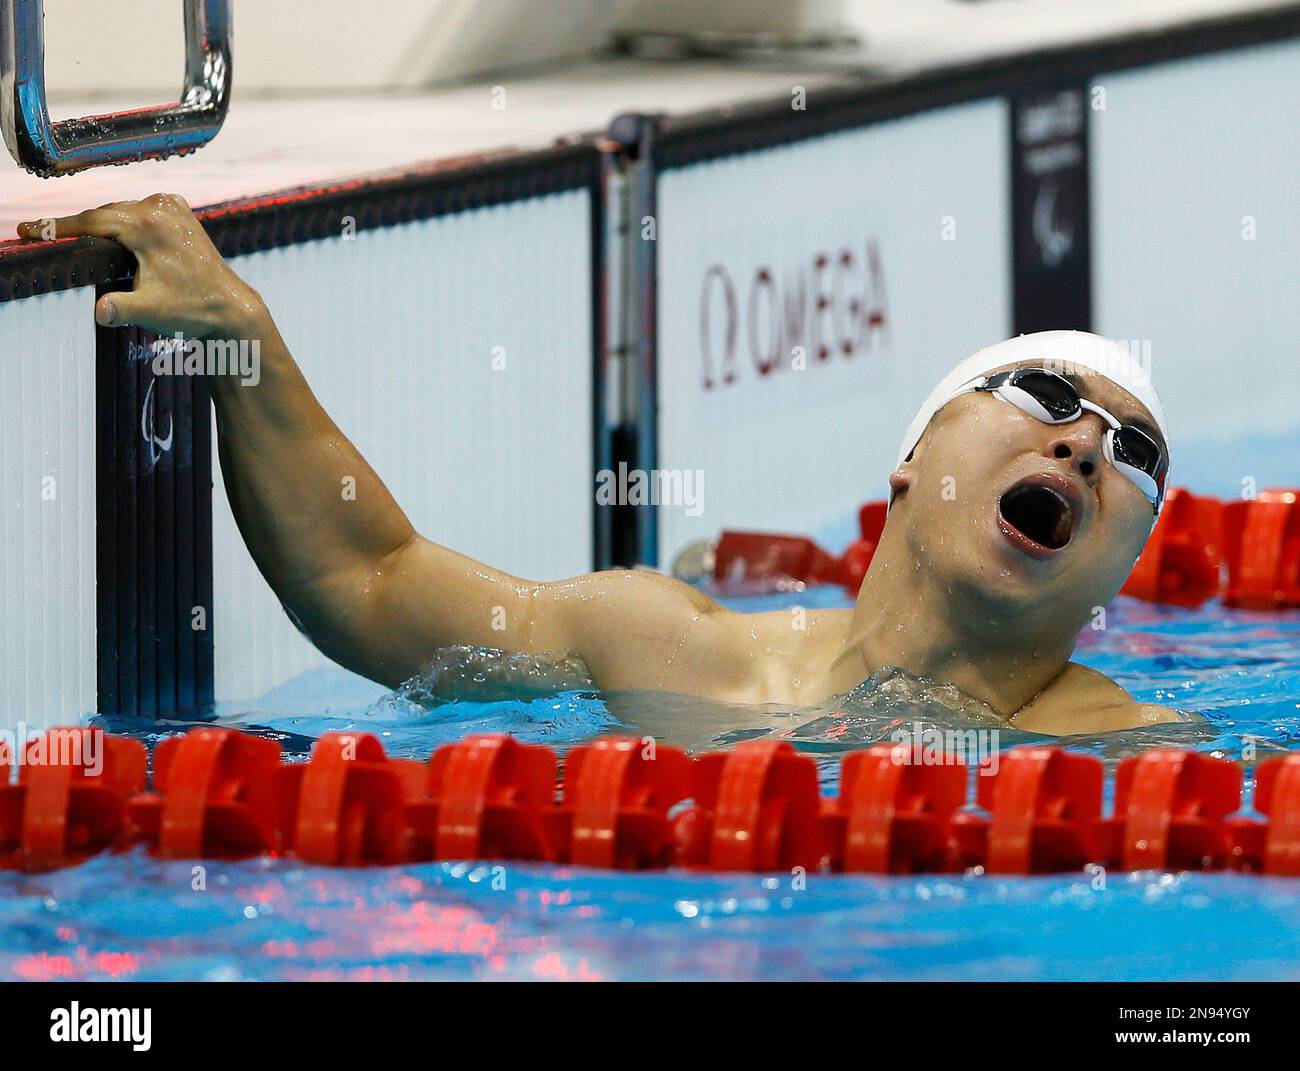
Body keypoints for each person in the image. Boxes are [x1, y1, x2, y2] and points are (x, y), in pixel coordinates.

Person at [21, 195, 1180, 735]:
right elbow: (365, 584)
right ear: (911, 456)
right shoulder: (661, 644)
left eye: (1133, 455)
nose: (1081, 443)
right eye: (1043, 397)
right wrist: (243, 337)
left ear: (1124, 567)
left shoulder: (1126, 760)